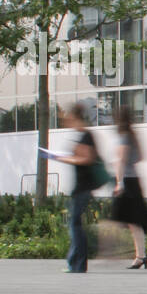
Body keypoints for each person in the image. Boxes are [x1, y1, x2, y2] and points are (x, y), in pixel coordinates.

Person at [50, 103, 102, 274]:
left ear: (75, 117)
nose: (66, 122)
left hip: (83, 188)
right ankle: (75, 263)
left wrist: (65, 159)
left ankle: (78, 264)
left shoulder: (86, 135)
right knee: (75, 224)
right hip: (80, 188)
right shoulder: (83, 135)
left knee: (75, 225)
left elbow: (86, 159)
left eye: (68, 118)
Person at [110, 107, 147, 269]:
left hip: (126, 181)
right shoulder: (133, 135)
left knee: (124, 220)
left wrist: (119, 183)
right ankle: (141, 256)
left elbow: (120, 160)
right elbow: (141, 156)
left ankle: (111, 253)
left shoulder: (124, 137)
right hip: (134, 180)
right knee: (134, 221)